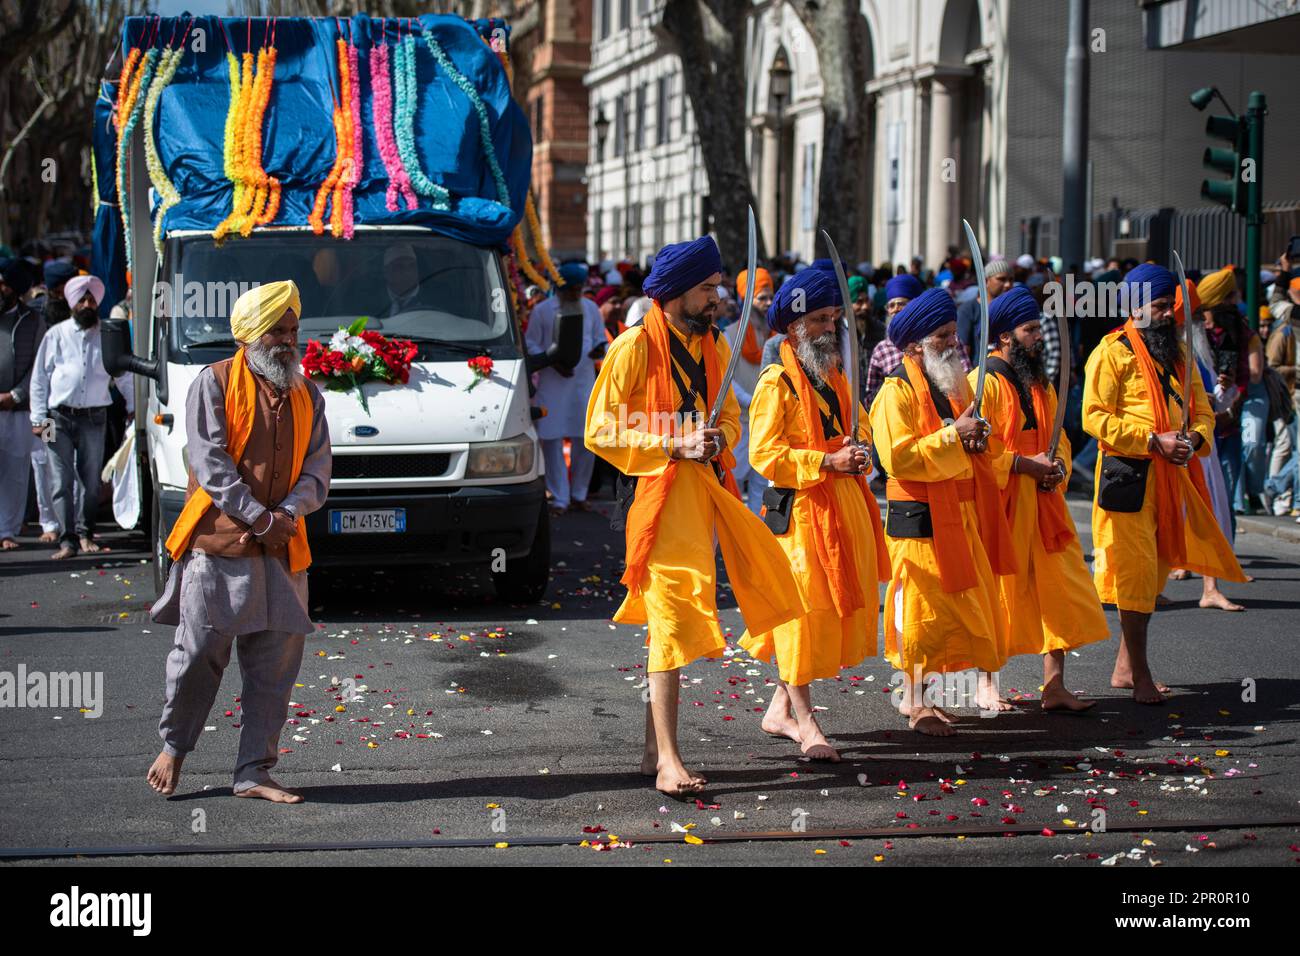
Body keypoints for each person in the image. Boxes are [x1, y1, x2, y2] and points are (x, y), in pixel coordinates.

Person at [584, 236, 800, 798]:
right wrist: (674, 443)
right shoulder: (633, 346)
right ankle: (669, 762)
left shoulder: (715, 347)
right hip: (654, 505)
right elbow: (601, 431)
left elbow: (731, 419)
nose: (718, 297)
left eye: (718, 287)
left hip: (702, 498)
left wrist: (713, 440)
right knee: (673, 624)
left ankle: (653, 749)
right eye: (708, 288)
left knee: (671, 624)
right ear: (677, 291)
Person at [146, 280, 331, 803]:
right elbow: (209, 464)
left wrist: (289, 513)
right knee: (201, 649)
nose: (288, 340)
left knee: (275, 665)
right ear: (251, 334)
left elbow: (318, 469)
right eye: (278, 330)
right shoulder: (214, 382)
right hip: (221, 543)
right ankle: (174, 748)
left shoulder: (307, 394)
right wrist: (256, 516)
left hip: (284, 544)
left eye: (293, 330)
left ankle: (254, 772)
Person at [739, 268, 889, 760]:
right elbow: (764, 455)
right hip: (801, 515)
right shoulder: (776, 380)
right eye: (821, 319)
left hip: (845, 507)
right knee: (801, 620)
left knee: (824, 619)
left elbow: (859, 423)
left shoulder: (836, 374)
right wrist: (825, 460)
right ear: (795, 326)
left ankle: (779, 710)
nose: (830, 327)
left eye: (832, 318)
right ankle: (806, 723)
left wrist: (860, 449)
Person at [1083, 265, 1246, 703]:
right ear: (1134, 307)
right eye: (1157, 307)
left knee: (1153, 576)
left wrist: (1192, 439)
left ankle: (1123, 667)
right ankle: (1140, 676)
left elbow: (1203, 412)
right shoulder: (1111, 352)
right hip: (1128, 476)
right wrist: (1153, 440)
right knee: (1135, 576)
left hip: (1171, 478)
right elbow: (1094, 417)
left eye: (1168, 308)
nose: (1166, 315)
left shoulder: (1179, 354)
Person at [869, 288, 1013, 735]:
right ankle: (915, 703)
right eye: (943, 335)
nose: (954, 342)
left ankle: (927, 697)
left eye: (953, 333)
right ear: (915, 345)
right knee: (918, 610)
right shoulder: (895, 390)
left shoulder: (954, 384)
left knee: (950, 609)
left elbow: (966, 438)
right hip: (917, 517)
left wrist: (974, 436)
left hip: (959, 511)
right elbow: (898, 457)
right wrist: (956, 436)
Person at [976, 287, 1109, 711]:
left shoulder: (1041, 384)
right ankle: (985, 685)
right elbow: (978, 451)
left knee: (1060, 591)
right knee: (998, 594)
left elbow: (1060, 438)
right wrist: (1021, 465)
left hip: (1046, 503)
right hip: (1002, 504)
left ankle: (1054, 686)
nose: (1039, 337)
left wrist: (1059, 468)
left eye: (1038, 328)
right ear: (1003, 338)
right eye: (1030, 329)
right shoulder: (982, 383)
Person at [28, 275, 133, 559]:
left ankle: (85, 533)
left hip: (94, 417)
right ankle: (67, 540)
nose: (88, 304)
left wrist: (134, 406)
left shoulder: (107, 334)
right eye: (82, 300)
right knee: (58, 480)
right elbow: (39, 379)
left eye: (92, 300)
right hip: (54, 418)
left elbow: (121, 374)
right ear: (73, 303)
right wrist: (37, 418)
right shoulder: (56, 334)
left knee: (90, 480)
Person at [526, 261, 606, 515]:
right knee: (551, 440)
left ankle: (579, 495)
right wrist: (553, 362)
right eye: (570, 289)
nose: (575, 294)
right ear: (559, 288)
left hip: (582, 382)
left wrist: (597, 349)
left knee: (587, 440)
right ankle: (560, 498)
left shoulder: (591, 308)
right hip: (553, 381)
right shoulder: (542, 310)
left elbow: (597, 339)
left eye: (578, 289)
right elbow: (531, 343)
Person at [1198, 265, 1266, 514]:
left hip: (1228, 422)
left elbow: (1252, 376)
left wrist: (1231, 400)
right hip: (1203, 424)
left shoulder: (1243, 333)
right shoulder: (1194, 336)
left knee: (1225, 490)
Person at [0, 259, 45, 550]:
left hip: (17, 409)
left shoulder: (32, 320)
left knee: (15, 473)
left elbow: (38, 367)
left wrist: (14, 395)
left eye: (2, 282)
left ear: (14, 289)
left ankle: (6, 531)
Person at [722, 266, 775, 513]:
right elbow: (725, 377)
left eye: (770, 297)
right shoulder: (730, 334)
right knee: (732, 481)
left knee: (762, 486)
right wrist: (751, 400)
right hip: (740, 421)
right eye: (761, 297)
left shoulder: (776, 336)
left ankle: (756, 539)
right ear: (746, 298)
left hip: (767, 422)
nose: (768, 303)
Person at [956, 256, 1013, 361]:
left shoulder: (1011, 310)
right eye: (1001, 279)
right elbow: (963, 354)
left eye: (1011, 279)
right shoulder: (968, 310)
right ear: (986, 281)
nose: (1008, 284)